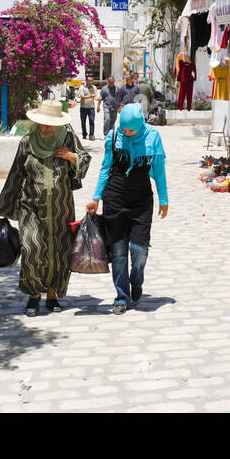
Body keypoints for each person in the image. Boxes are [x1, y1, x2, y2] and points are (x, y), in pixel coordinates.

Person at [0, 99, 91, 316]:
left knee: (59, 251)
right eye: (43, 124)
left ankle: (53, 294)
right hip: (30, 207)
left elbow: (84, 160)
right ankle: (34, 295)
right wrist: (2, 211)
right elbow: (15, 175)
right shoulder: (27, 142)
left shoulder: (67, 138)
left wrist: (69, 156)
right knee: (32, 249)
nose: (46, 128)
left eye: (50, 124)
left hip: (61, 208)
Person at [85, 102, 168, 314]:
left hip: (141, 200)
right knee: (119, 252)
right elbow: (105, 168)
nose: (126, 132)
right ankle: (121, 296)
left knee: (139, 250)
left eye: (130, 129)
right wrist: (96, 197)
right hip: (115, 198)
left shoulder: (152, 137)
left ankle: (136, 280)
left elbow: (158, 171)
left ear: (140, 124)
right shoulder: (114, 136)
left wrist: (164, 199)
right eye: (124, 128)